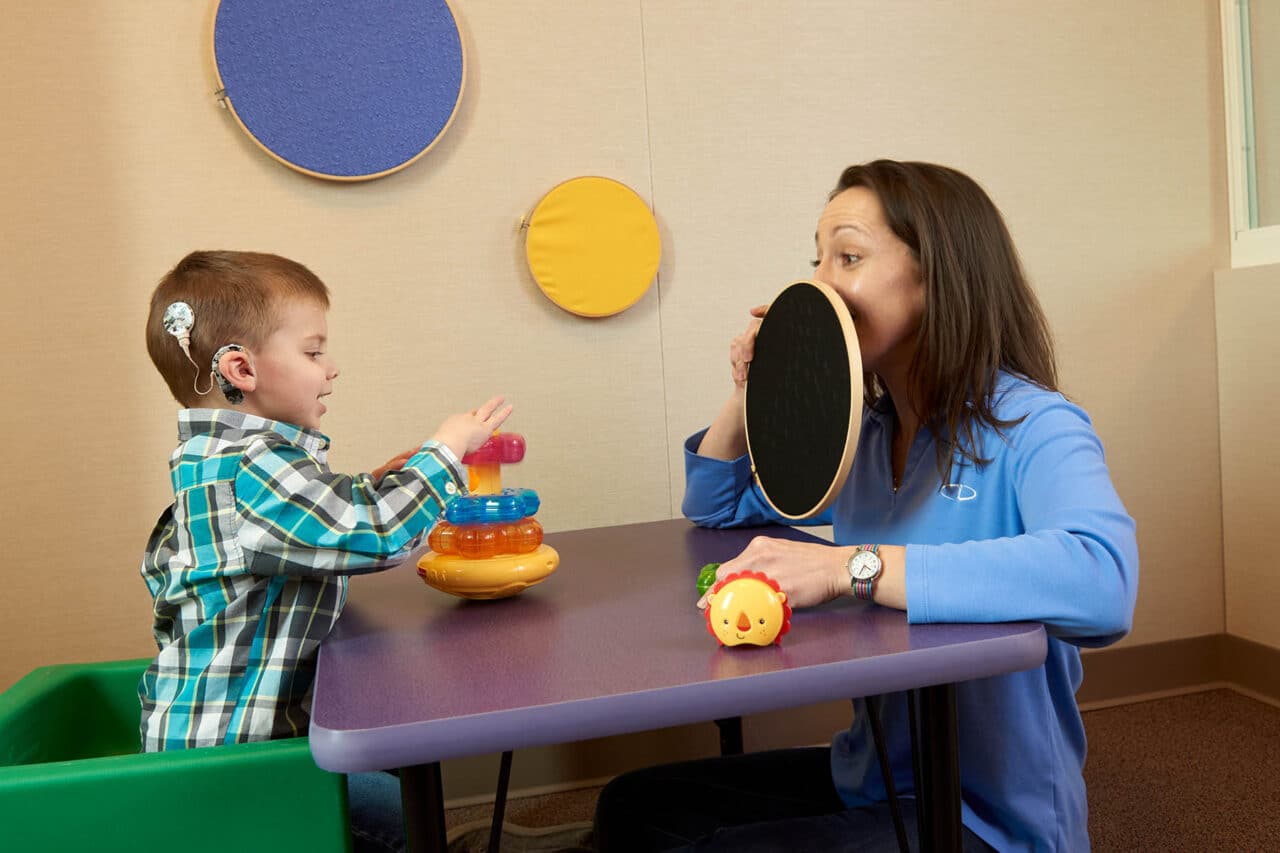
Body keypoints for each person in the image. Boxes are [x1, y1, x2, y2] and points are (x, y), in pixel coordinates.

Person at [593, 160, 1139, 852]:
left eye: (847, 257)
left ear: (936, 276)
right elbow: (717, 503)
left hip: (989, 822)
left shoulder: (1034, 424)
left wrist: (850, 567)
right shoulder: (866, 434)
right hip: (872, 779)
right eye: (817, 261)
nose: (821, 283)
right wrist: (750, 389)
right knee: (633, 805)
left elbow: (1102, 580)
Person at [140, 250, 510, 852]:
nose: (331, 368)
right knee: (410, 825)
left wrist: (382, 481)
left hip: (227, 748)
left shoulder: (224, 462)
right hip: (235, 770)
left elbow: (318, 517)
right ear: (241, 368)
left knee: (396, 786)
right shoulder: (249, 471)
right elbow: (379, 534)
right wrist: (445, 450)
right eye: (313, 353)